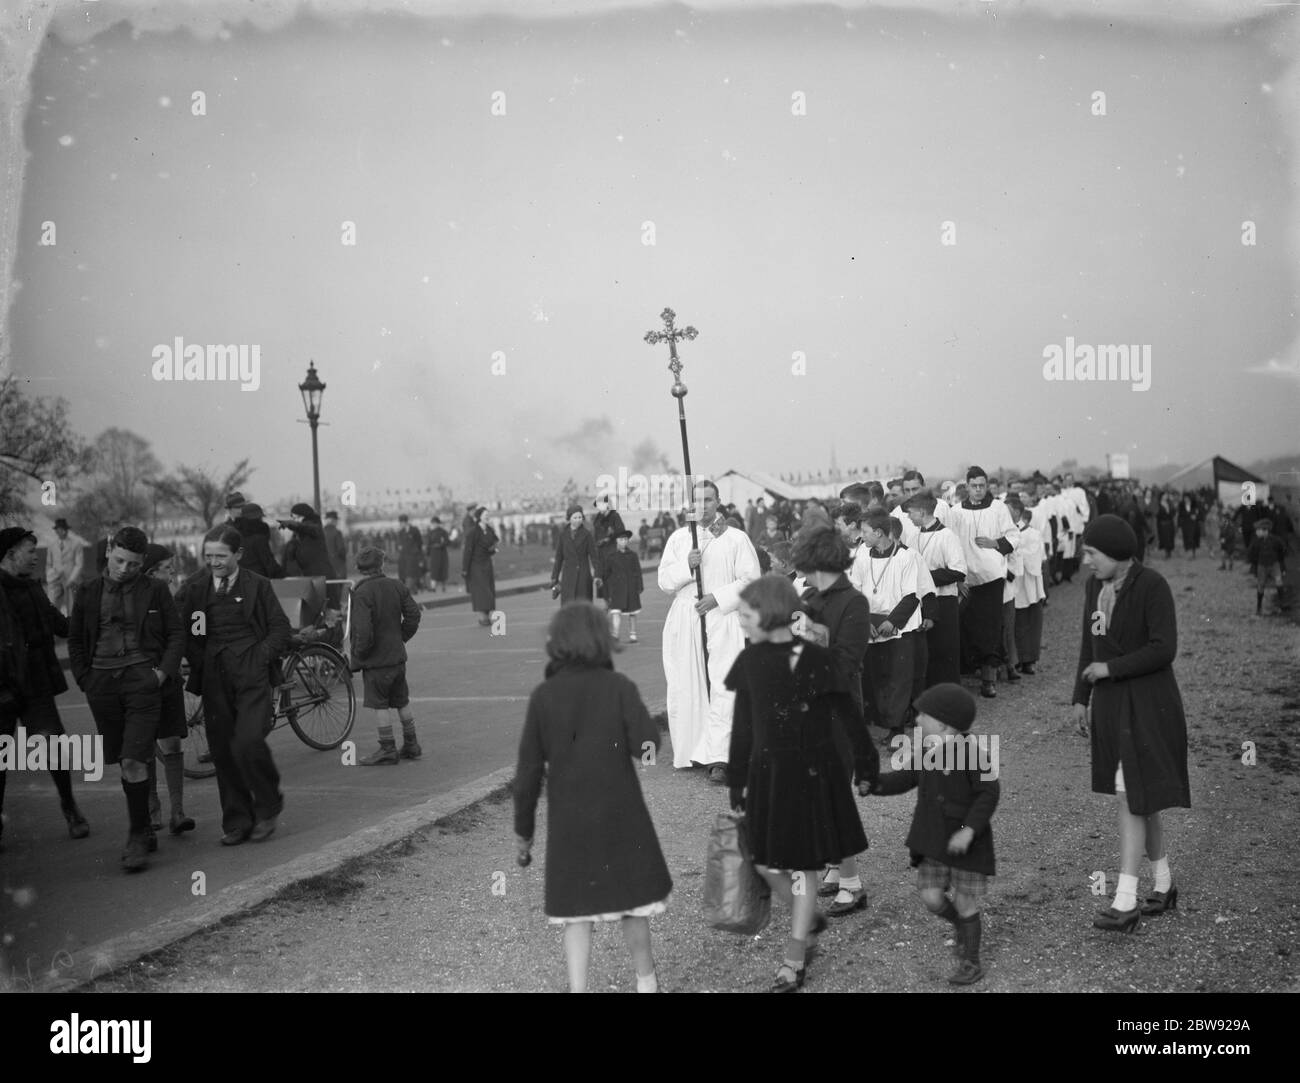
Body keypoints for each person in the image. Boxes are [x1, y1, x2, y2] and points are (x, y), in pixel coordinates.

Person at [727, 574, 876, 992]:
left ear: (770, 613)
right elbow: (742, 726)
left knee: (802, 865)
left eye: (745, 613)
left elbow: (846, 712)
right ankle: (806, 915)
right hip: (766, 773)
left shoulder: (815, 659)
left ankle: (794, 956)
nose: (740, 620)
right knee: (761, 859)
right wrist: (737, 780)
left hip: (810, 772)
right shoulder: (750, 659)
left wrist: (865, 761)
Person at [513, 603, 671, 993]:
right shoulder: (619, 688)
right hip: (622, 816)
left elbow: (528, 773)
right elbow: (647, 747)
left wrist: (524, 832)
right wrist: (649, 741)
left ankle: (579, 988)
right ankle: (646, 983)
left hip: (571, 823)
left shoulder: (543, 697)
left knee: (576, 912)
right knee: (633, 904)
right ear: (602, 640)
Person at [1072, 515, 1189, 934]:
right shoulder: (1093, 588)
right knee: (1141, 796)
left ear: (1118, 554)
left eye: (1092, 553)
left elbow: (1164, 648)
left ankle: (1124, 901)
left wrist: (1111, 668)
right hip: (1110, 704)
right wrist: (1079, 698)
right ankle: (1164, 883)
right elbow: (1090, 645)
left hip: (1149, 705)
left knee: (1130, 795)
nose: (1085, 560)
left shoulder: (1153, 586)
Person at [69, 526, 184, 871]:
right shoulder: (87, 592)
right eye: (119, 561)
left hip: (142, 682)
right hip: (102, 685)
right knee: (125, 758)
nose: (124, 569)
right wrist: (86, 679)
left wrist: (160, 674)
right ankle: (144, 824)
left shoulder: (156, 589)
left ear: (142, 563)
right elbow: (75, 641)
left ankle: (137, 836)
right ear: (108, 551)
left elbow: (177, 634)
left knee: (135, 758)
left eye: (133, 565)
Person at [869, 683, 999, 984]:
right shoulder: (928, 752)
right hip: (933, 842)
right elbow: (904, 779)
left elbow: (988, 795)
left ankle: (972, 961)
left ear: (942, 723)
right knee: (930, 897)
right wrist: (873, 784)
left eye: (922, 715)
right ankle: (960, 927)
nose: (916, 721)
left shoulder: (974, 754)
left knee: (966, 902)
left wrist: (968, 831)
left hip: (968, 846)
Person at [177, 526, 292, 845]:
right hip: (215, 675)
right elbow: (189, 630)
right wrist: (201, 659)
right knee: (224, 751)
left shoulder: (258, 585)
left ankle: (268, 806)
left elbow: (279, 628)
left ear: (238, 554)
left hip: (252, 674)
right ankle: (238, 820)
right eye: (208, 555)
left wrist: (259, 657)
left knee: (249, 740)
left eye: (220, 556)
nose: (213, 562)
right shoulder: (197, 588)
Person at [792, 527, 879, 919]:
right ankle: (832, 866)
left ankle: (853, 883)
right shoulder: (807, 597)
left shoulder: (855, 603)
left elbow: (846, 663)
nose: (802, 573)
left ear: (819, 563)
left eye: (806, 566)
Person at [657, 479, 761, 782]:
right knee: (687, 684)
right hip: (685, 619)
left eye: (708, 499)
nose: (701, 505)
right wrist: (686, 567)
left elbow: (751, 580)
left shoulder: (736, 539)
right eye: (696, 500)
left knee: (723, 684)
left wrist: (718, 597)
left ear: (718, 502)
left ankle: (720, 757)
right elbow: (664, 581)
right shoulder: (679, 539)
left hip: (722, 617)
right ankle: (692, 749)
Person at [0, 528, 90, 850]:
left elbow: (56, 621)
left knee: (53, 747)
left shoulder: (32, 587)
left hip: (35, 685)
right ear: (10, 554)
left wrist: (85, 625)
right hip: (3, 689)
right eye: (29, 551)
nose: (36, 556)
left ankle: (70, 807)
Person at [849, 508, 924, 740]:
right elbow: (855, 589)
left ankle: (897, 729)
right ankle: (879, 724)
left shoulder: (906, 556)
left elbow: (912, 595)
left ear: (879, 533)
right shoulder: (862, 553)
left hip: (899, 624)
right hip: (870, 622)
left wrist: (893, 622)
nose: (862, 536)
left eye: (866, 532)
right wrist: (863, 621)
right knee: (875, 676)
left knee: (897, 679)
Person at [947, 466, 1019, 698]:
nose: (978, 490)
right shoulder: (956, 512)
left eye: (982, 486)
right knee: (965, 626)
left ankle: (989, 679)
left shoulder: (998, 508)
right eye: (974, 486)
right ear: (966, 487)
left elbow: (1013, 534)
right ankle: (967, 674)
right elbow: (951, 544)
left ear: (987, 486)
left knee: (990, 628)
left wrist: (996, 543)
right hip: (966, 577)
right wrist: (957, 578)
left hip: (991, 577)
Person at [140, 544, 195, 835]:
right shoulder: (133, 598)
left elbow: (178, 636)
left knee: (172, 742)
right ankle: (152, 810)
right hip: (140, 682)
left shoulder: (169, 598)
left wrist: (168, 669)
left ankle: (177, 811)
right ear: (151, 571)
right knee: (144, 745)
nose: (172, 571)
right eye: (167, 567)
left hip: (168, 680)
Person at [350, 546, 423, 764]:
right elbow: (413, 615)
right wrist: (401, 637)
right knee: (402, 700)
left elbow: (363, 631)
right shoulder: (397, 586)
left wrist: (359, 654)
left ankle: (387, 748)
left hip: (376, 661)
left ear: (359, 569)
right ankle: (411, 743)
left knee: (379, 704)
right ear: (382, 565)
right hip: (397, 656)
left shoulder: (362, 593)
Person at [903, 491, 966, 687]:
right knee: (926, 652)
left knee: (945, 650)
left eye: (911, 513)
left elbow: (959, 571)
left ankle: (949, 697)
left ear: (922, 512)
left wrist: (925, 578)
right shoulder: (914, 536)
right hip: (922, 602)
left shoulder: (947, 536)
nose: (908, 517)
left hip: (944, 600)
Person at [1011, 504, 1046, 675]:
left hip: (1028, 584)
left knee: (1030, 622)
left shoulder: (1033, 534)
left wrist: (1014, 553)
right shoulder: (1004, 531)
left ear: (1017, 512)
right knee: (1013, 624)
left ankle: (1029, 659)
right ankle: (1014, 660)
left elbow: (1035, 557)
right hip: (1011, 584)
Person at [551, 505, 599, 605]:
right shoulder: (563, 535)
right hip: (568, 576)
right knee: (568, 607)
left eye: (580, 517)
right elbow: (559, 558)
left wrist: (597, 574)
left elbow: (594, 557)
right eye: (575, 518)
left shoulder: (587, 535)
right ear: (569, 519)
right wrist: (554, 577)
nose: (578, 520)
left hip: (583, 575)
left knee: (584, 606)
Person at [603, 530, 643, 644]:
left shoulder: (633, 555)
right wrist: (607, 589)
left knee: (632, 612)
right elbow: (606, 574)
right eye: (621, 539)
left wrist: (639, 586)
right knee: (616, 612)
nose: (624, 542)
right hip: (617, 589)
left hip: (631, 588)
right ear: (616, 541)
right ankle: (615, 634)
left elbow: (638, 572)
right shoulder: (611, 556)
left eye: (625, 539)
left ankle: (633, 634)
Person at [462, 505, 497, 626]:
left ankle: (486, 616)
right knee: (481, 591)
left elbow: (494, 542)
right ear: (479, 517)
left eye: (488, 515)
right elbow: (468, 551)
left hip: (487, 563)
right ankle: (483, 617)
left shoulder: (490, 529)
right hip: (476, 565)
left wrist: (493, 549)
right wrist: (465, 569)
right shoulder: (473, 532)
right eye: (485, 515)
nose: (487, 516)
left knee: (489, 590)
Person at [1246, 518, 1287, 617]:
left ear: (1265, 530)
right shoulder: (1256, 542)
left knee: (1279, 581)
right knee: (1261, 585)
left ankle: (1282, 604)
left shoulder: (1276, 540)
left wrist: (1282, 566)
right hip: (1262, 566)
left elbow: (1282, 551)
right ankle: (1259, 607)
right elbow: (1251, 554)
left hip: (1274, 564)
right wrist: (1254, 566)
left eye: (1258, 530)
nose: (1256, 532)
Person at [279, 504, 334, 578]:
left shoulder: (314, 528)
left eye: (296, 517)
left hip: (319, 576)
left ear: (305, 516)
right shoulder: (298, 534)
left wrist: (292, 524)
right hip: (309, 576)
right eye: (293, 518)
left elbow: (307, 527)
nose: (295, 520)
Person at [45, 518, 84, 618]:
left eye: (64, 529)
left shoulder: (76, 544)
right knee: (52, 604)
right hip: (55, 580)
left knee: (71, 606)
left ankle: (71, 627)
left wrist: (72, 579)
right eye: (59, 529)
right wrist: (50, 576)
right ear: (56, 531)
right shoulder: (52, 545)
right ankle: (54, 626)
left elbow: (79, 564)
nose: (62, 532)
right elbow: (49, 563)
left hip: (70, 580)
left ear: (67, 530)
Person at [237, 504, 282, 579]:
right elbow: (268, 563)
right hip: (258, 580)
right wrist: (282, 575)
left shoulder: (234, 536)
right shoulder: (259, 538)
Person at [395, 514, 425, 593]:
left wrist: (420, 556)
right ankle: (413, 589)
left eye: (401, 523)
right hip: (403, 556)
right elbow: (398, 543)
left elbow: (419, 543)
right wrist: (399, 546)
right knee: (404, 573)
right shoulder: (400, 532)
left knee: (411, 573)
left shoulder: (414, 530)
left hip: (412, 555)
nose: (400, 524)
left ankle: (409, 589)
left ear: (405, 522)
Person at [426, 517, 451, 592]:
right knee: (434, 570)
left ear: (438, 523)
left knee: (443, 569)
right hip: (434, 553)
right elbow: (428, 543)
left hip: (442, 553)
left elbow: (447, 542)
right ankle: (433, 587)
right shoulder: (430, 532)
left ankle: (443, 586)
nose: (434, 524)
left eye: (435, 523)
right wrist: (428, 553)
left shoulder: (443, 532)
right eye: (432, 523)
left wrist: (441, 544)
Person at [323, 511, 349, 581]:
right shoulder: (337, 533)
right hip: (337, 568)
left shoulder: (320, 532)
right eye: (336, 520)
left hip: (323, 569)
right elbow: (341, 550)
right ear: (333, 520)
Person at [1176, 493, 1201, 558]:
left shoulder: (1195, 506)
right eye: (1185, 498)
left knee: (1193, 539)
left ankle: (1193, 553)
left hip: (1193, 525)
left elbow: (1200, 515)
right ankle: (1188, 552)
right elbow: (1179, 517)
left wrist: (1196, 516)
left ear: (1190, 499)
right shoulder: (1181, 506)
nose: (1186, 499)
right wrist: (1179, 526)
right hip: (1185, 525)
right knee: (1186, 539)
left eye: (1187, 498)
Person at [1155, 493, 1176, 559]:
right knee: (1165, 538)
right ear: (1161, 496)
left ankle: (1169, 551)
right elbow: (1157, 514)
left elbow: (1173, 513)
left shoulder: (1169, 503)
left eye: (1166, 495)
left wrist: (1172, 510)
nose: (1166, 496)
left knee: (1170, 538)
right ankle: (1166, 552)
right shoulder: (1158, 504)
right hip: (1163, 524)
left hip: (1170, 523)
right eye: (1164, 495)